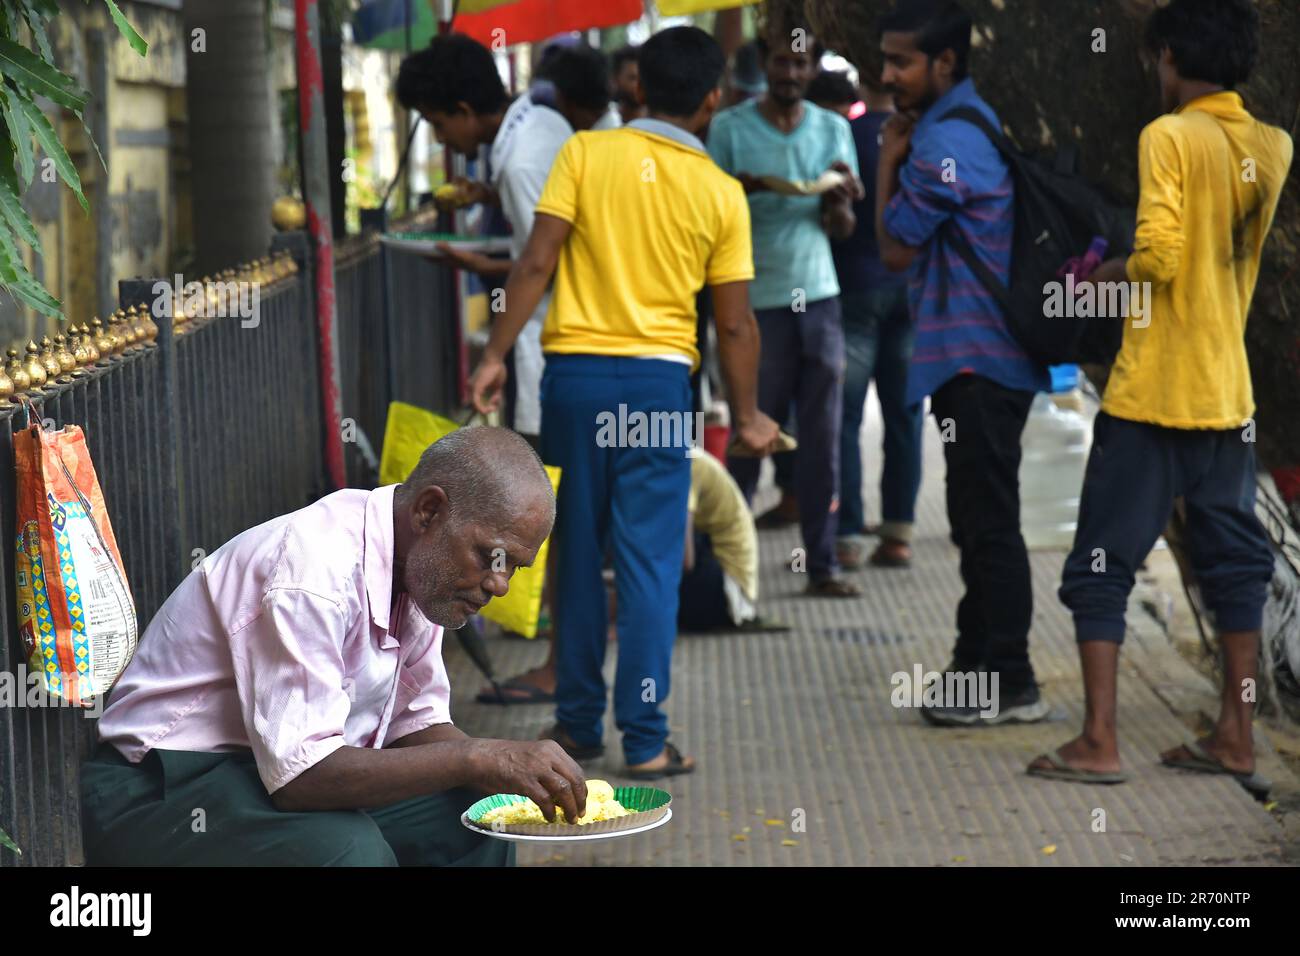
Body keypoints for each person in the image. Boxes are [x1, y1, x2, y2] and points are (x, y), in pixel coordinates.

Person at [467, 26, 779, 779]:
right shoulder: (721, 193)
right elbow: (734, 322)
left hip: (573, 380)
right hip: (658, 389)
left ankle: (576, 727)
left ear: (637, 87)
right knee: (647, 565)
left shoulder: (584, 153)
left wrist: (496, 354)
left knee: (574, 553)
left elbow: (535, 261)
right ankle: (644, 738)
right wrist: (749, 413)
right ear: (711, 101)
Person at [81, 428, 587, 866]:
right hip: (157, 789)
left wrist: (507, 769)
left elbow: (417, 723)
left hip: (259, 774)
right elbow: (304, 776)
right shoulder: (314, 571)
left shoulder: (425, 572)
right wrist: (480, 759)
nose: (499, 585)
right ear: (430, 511)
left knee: (478, 823)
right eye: (490, 557)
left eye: (512, 567)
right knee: (348, 852)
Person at [1028, 0, 1292, 789]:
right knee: (1237, 565)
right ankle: (1236, 736)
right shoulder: (1271, 145)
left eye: (1156, 61)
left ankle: (1099, 743)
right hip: (1227, 393)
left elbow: (1160, 258)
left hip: (1154, 395)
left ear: (1170, 57)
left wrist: (1097, 278)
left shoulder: (1169, 136)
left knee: (1101, 565)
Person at [875, 0, 1051, 723]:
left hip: (976, 362)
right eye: (885, 60)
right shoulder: (972, 120)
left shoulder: (944, 139)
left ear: (945, 62)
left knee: (987, 522)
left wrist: (887, 158)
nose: (888, 75)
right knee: (977, 519)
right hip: (980, 362)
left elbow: (892, 248)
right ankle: (975, 666)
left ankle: (1010, 679)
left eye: (902, 62)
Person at [709, 17, 863, 599]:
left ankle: (822, 563)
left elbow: (842, 228)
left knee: (822, 437)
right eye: (782, 62)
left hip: (818, 297)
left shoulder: (831, 130)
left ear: (813, 68)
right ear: (764, 65)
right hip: (751, 300)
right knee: (751, 434)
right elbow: (712, 214)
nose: (792, 73)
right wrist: (741, 191)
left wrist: (841, 199)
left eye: (802, 64)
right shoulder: (728, 129)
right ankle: (729, 569)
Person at [396, 39, 613, 442]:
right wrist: (489, 195)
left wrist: (491, 349)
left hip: (552, 341)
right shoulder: (536, 117)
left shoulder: (520, 163)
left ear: (464, 110)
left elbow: (545, 265)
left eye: (438, 124)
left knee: (544, 477)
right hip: (579, 344)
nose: (441, 140)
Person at [832, 75, 924, 571]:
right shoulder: (920, 136)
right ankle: (898, 534)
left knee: (845, 416)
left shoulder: (844, 132)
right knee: (904, 414)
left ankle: (846, 535)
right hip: (910, 290)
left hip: (854, 289)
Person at [679, 451, 768, 632]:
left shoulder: (685, 467)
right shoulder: (682, 454)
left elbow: (685, 561)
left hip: (727, 594)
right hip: (724, 577)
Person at [611, 44, 644, 124]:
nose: (639, 84)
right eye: (633, 78)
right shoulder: (608, 122)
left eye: (644, 77)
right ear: (616, 79)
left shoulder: (661, 123)